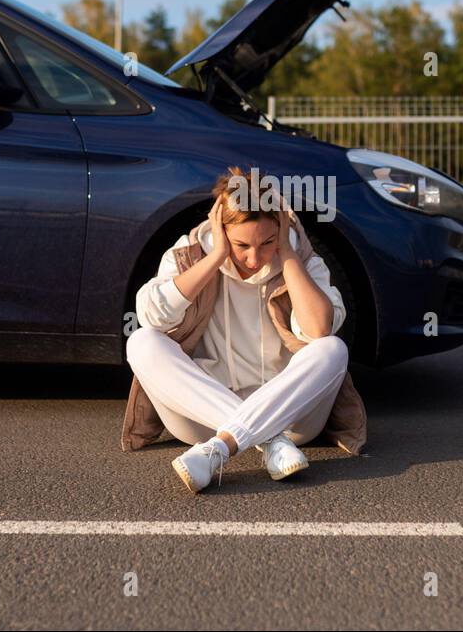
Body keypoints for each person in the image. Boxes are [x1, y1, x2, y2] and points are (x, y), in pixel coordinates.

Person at [125, 166, 354, 493]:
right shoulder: (190, 253)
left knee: (332, 349)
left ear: (281, 227)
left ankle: (220, 449)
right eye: (240, 245)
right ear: (218, 228)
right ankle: (267, 441)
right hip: (202, 417)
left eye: (267, 242)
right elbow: (153, 316)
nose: (253, 257)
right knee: (142, 341)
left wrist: (287, 252)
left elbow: (318, 328)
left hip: (290, 418)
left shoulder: (301, 258)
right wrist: (215, 256)